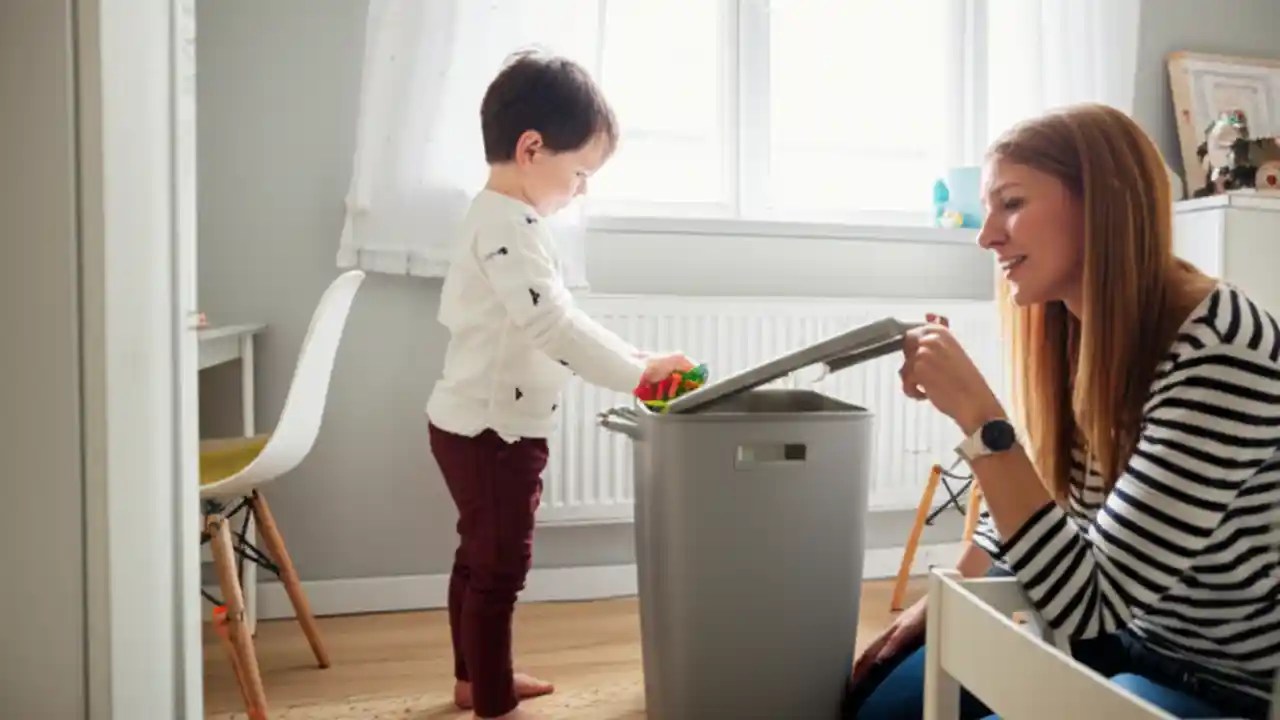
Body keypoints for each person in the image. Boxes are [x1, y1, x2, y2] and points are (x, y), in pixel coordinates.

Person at [845, 103, 1280, 719]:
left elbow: (1090, 599)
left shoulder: (1222, 347)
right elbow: (1041, 500)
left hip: (1216, 679)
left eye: (1012, 203)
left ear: (1103, 205)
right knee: (881, 708)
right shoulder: (1076, 325)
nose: (986, 234)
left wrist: (981, 420)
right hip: (1118, 638)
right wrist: (937, 608)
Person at [425, 51, 695, 720]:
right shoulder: (505, 230)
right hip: (493, 431)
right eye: (580, 173)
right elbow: (551, 327)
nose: (582, 189)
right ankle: (490, 701)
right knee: (498, 569)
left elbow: (563, 320)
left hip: (476, 422)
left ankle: (474, 678)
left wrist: (635, 356)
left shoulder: (508, 223)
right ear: (531, 148)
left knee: (477, 557)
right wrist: (636, 376)